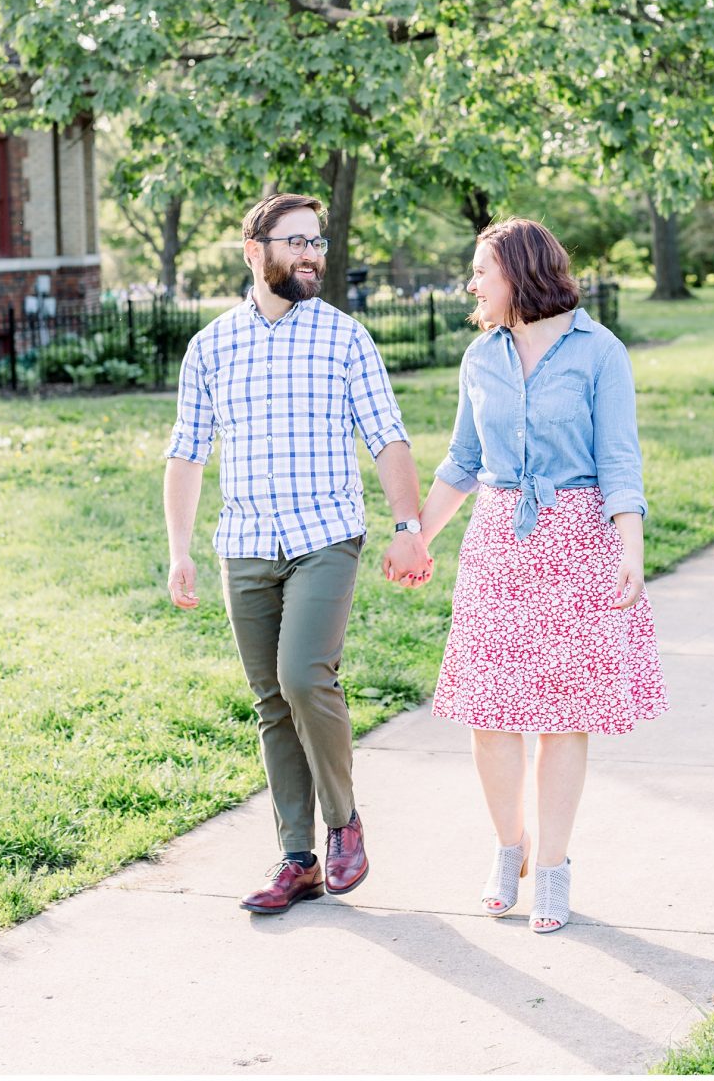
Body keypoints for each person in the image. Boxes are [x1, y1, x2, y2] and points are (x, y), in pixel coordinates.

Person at [163, 193, 431, 916]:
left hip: (324, 539)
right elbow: (187, 453)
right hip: (245, 545)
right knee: (270, 703)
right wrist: (179, 551)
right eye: (296, 241)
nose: (313, 253)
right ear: (255, 252)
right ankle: (297, 858)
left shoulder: (345, 339)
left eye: (318, 241)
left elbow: (387, 437)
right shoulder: (212, 346)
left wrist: (409, 524)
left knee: (302, 676)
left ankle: (344, 824)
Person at [417, 218, 668, 934]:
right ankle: (509, 848)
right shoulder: (480, 356)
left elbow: (619, 459)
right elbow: (462, 462)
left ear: (520, 275)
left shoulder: (598, 352)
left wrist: (630, 547)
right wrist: (415, 538)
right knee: (488, 711)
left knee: (563, 717)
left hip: (577, 539)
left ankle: (553, 868)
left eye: (480, 272)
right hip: (498, 541)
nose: (471, 284)